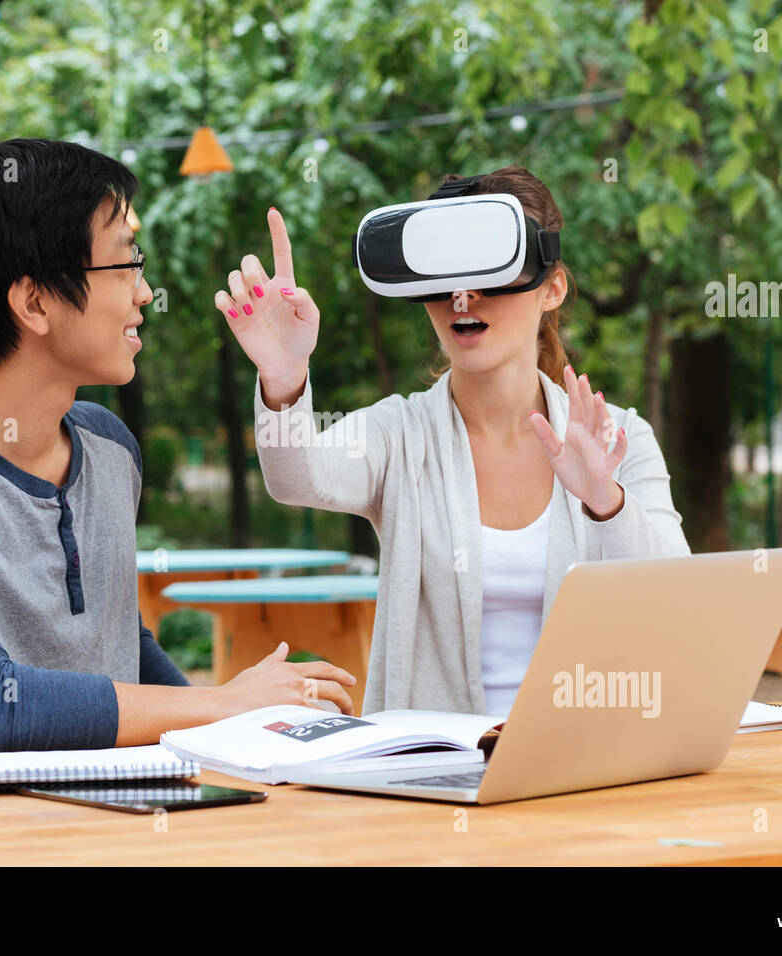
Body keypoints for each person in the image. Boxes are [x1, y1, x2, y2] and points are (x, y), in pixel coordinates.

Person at [0, 138, 355, 759]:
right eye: (124, 264)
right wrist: (222, 703)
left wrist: (241, 732)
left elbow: (119, 646)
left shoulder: (110, 449)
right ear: (34, 302)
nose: (143, 292)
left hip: (115, 829)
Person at [214, 165, 690, 717]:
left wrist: (606, 503)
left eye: (491, 270)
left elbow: (673, 596)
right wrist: (283, 376)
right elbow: (297, 478)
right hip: (434, 777)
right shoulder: (399, 435)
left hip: (588, 768)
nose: (463, 297)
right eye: (445, 275)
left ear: (550, 287)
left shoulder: (618, 438)